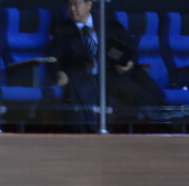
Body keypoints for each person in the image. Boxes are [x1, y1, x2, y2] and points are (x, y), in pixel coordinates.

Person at [47, 0, 164, 131]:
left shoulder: (105, 21)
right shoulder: (63, 29)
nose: (72, 9)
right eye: (69, 5)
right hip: (84, 75)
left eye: (76, 4)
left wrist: (130, 62)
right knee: (123, 87)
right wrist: (59, 73)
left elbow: (129, 45)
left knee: (143, 87)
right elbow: (53, 57)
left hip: (111, 72)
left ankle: (164, 122)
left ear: (89, 4)